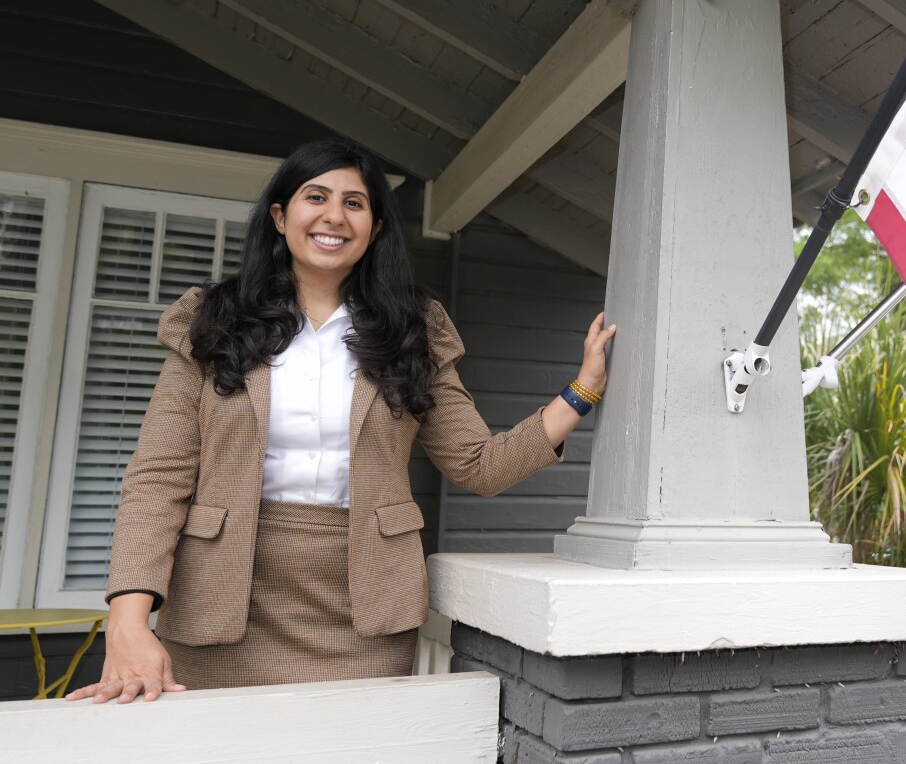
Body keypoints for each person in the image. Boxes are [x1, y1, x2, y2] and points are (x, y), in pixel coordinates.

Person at [65, 139, 615, 704]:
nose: (334, 215)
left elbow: (480, 466)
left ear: (375, 227)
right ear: (280, 216)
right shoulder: (213, 321)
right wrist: (128, 619)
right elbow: (159, 479)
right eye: (316, 196)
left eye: (355, 203)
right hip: (220, 604)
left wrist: (582, 392)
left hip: (364, 615)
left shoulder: (413, 330)